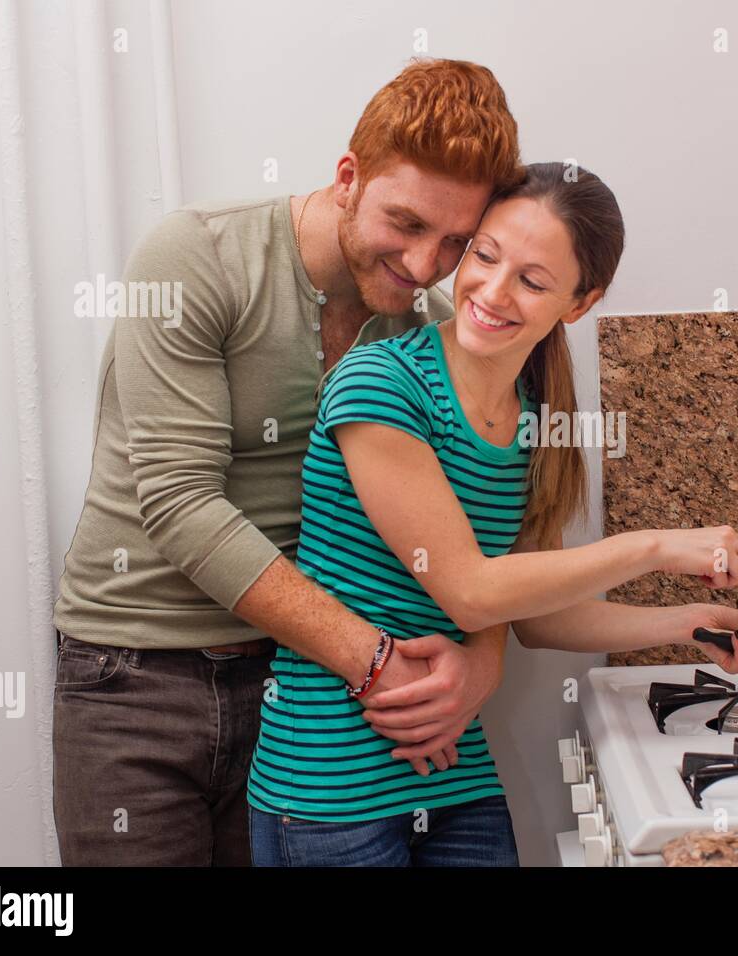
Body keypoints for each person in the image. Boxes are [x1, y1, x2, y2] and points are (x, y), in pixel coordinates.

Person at [246, 162, 738, 867]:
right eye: (484, 256)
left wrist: (690, 623)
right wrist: (657, 546)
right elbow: (470, 593)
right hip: (327, 790)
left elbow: (534, 616)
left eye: (533, 281)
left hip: (452, 772)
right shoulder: (381, 384)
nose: (492, 292)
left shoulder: (536, 421)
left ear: (578, 302)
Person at [50, 58, 526, 865]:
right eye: (406, 224)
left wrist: (483, 661)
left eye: (453, 242)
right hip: (135, 676)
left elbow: (473, 537)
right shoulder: (196, 255)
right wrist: (372, 664)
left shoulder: (435, 326)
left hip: (304, 695)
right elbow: (180, 504)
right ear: (348, 177)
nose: (422, 266)